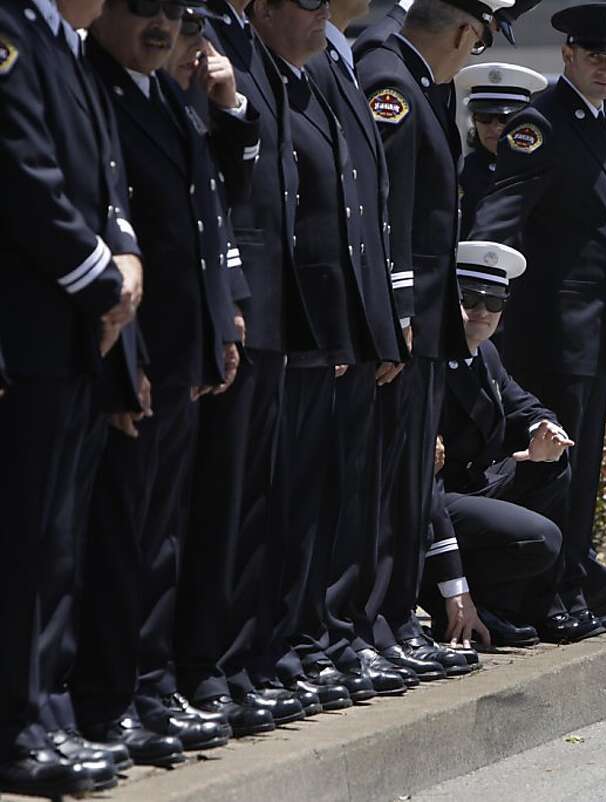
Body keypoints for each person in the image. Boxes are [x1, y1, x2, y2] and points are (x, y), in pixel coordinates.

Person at [73, 0, 260, 763]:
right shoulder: (100, 88)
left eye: (178, 15)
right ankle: (109, 703)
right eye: (143, 10)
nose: (164, 29)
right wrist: (132, 363)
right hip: (136, 359)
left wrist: (221, 326)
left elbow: (211, 211)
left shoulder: (167, 95)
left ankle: (148, 689)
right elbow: (115, 230)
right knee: (119, 543)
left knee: (161, 539)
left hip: (182, 357)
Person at [470, 2, 606, 639]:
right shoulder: (540, 124)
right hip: (547, 327)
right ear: (568, 55)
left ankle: (572, 581)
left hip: (593, 328)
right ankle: (544, 596)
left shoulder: (602, 126)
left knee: (577, 461)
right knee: (554, 466)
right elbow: (500, 216)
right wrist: (483, 297)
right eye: (595, 54)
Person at [0, 0, 142, 792]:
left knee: (53, 542)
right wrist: (102, 283)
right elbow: (21, 168)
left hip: (74, 331)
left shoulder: (66, 44)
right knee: (24, 540)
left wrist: (123, 257)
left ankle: (41, 713)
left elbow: (104, 178)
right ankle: (17, 727)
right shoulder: (13, 31)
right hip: (32, 328)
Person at [355, 0, 514, 675]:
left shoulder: (420, 84)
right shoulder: (391, 80)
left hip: (421, 323)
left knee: (403, 481)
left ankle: (391, 624)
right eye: (476, 43)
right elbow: (384, 209)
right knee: (381, 482)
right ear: (462, 31)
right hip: (404, 322)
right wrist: (394, 314)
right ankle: (367, 628)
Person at [181, 0, 321, 726]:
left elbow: (251, 162)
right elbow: (207, 181)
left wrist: (235, 100)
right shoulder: (194, 24)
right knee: (215, 502)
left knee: (256, 500)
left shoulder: (246, 38)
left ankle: (238, 657)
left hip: (262, 300)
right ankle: (202, 663)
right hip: (223, 295)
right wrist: (226, 289)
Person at [305, 0, 416, 694]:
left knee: (345, 492)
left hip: (351, 320)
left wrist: (379, 318)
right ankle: (313, 643)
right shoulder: (351, 57)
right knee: (302, 499)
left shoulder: (347, 55)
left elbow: (367, 212)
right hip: (310, 323)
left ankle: (338, 637)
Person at [431, 241, 579, 646]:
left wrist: (541, 435)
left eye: (494, 300)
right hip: (437, 500)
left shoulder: (486, 354)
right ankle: (454, 599)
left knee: (551, 464)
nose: (481, 310)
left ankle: (530, 606)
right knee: (540, 537)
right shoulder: (430, 360)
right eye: (468, 298)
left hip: (473, 488)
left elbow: (525, 406)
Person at [455, 61, 546, 235]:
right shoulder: (460, 172)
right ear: (474, 119)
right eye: (484, 117)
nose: (494, 127)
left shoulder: (542, 169)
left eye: (505, 118)